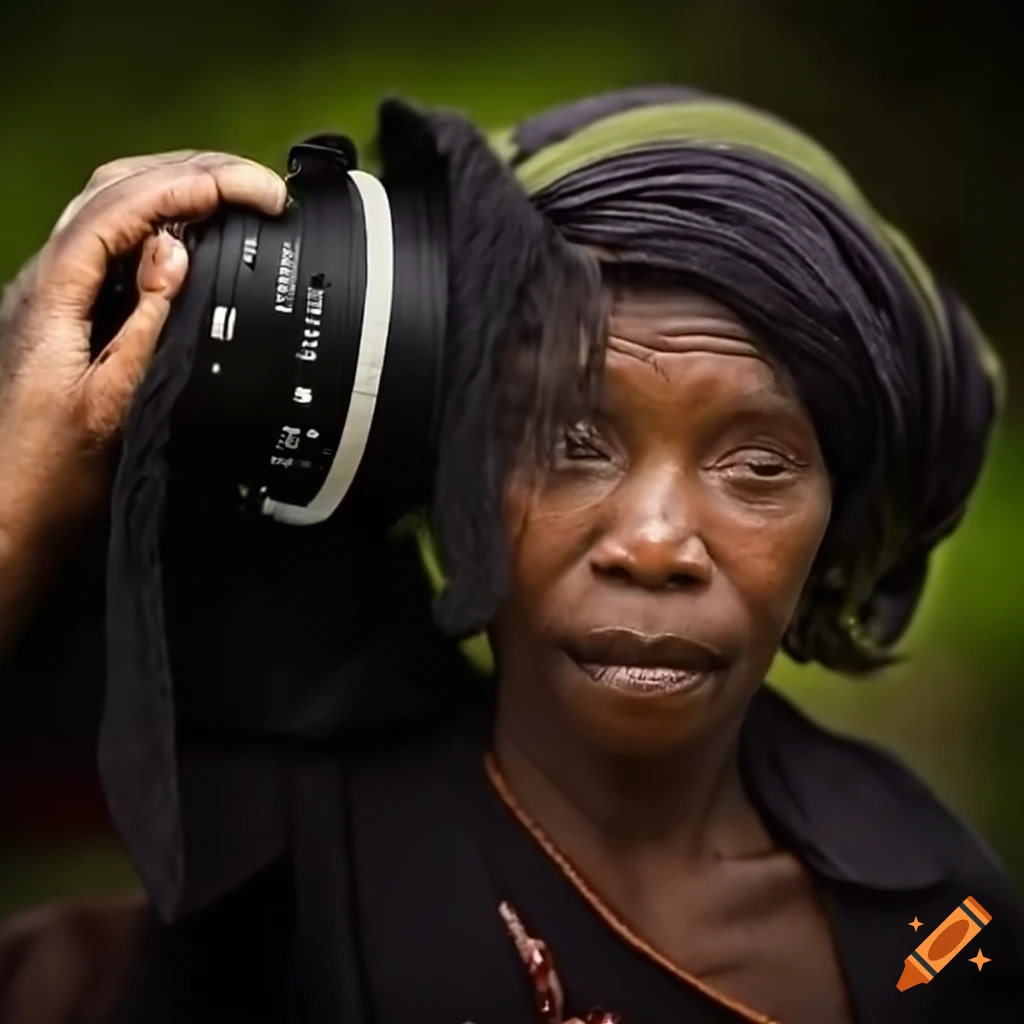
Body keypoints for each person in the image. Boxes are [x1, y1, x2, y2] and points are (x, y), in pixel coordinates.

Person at [0, 86, 1022, 1024]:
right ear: (459, 479)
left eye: (758, 463)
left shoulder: (934, 908)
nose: (656, 545)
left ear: (833, 524)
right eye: (572, 442)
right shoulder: (277, 876)